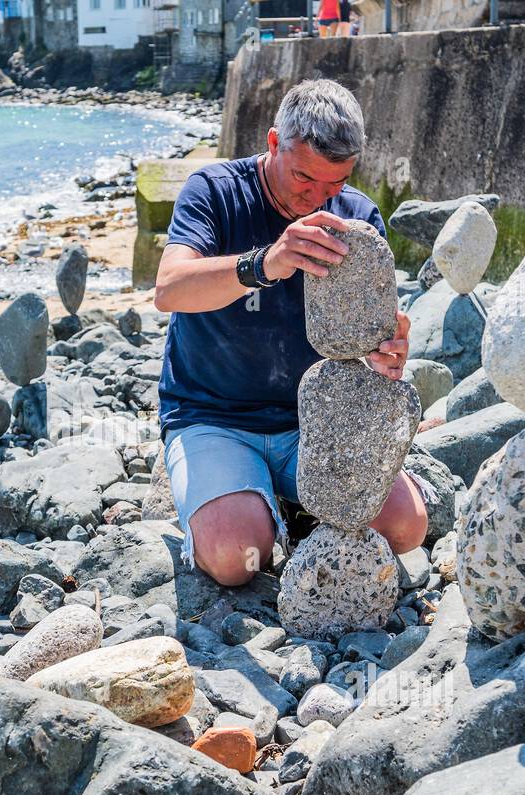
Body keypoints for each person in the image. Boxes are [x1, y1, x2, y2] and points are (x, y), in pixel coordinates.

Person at [152, 79, 428, 587]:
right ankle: (255, 505)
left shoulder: (358, 217)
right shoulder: (214, 191)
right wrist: (267, 262)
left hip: (315, 420)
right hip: (212, 414)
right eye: (305, 177)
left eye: (335, 184)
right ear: (274, 142)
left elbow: (368, 338)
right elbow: (169, 289)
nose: (318, 196)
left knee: (405, 526)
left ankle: (296, 509)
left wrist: (384, 353)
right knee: (235, 558)